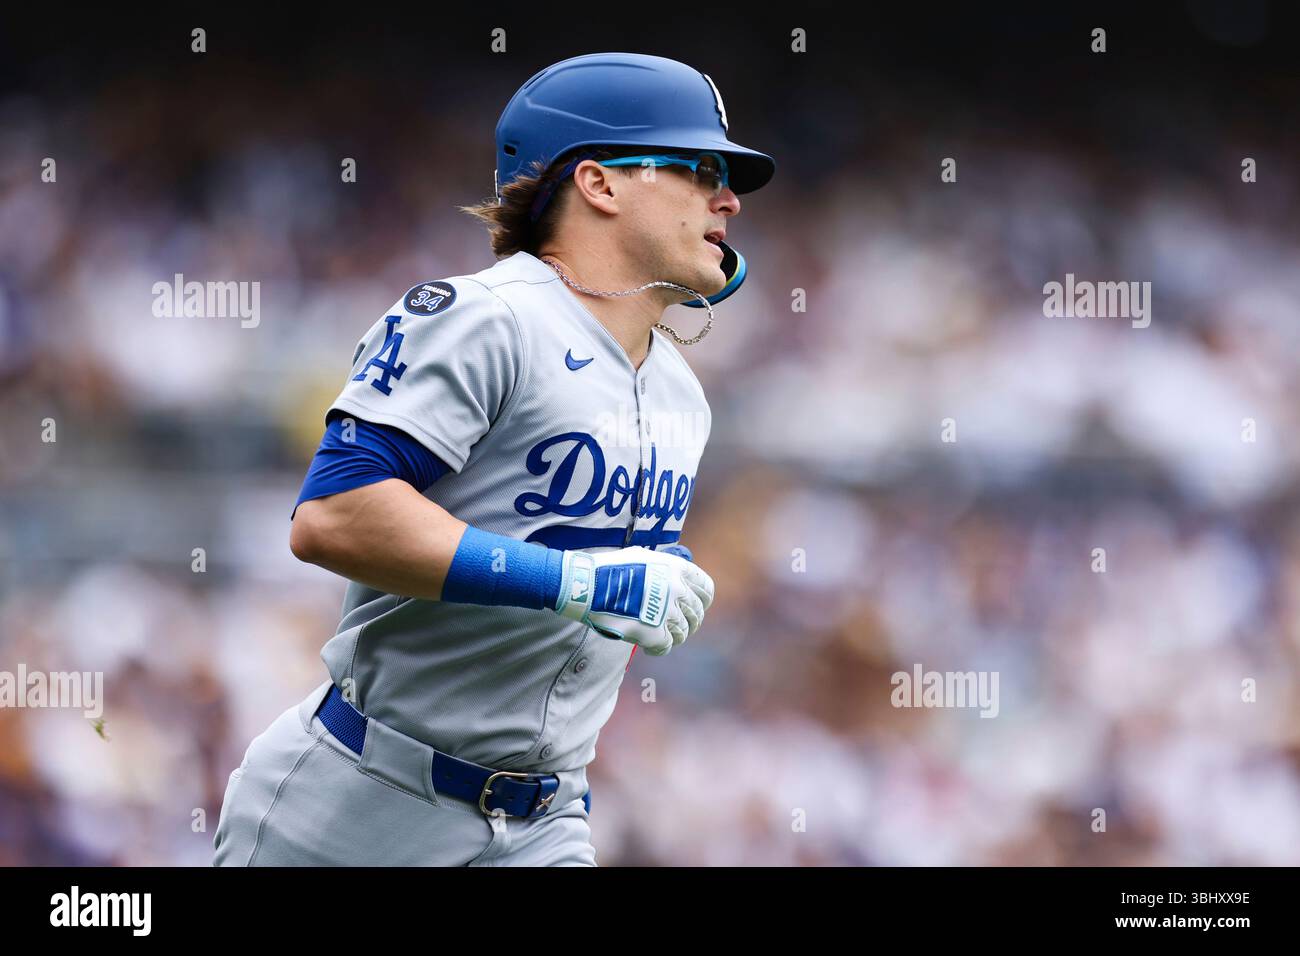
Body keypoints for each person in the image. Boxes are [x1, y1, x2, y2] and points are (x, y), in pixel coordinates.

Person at [213, 52, 774, 866]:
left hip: (545, 820)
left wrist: (651, 576)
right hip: (361, 805)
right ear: (600, 184)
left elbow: (554, 549)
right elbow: (334, 517)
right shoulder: (485, 317)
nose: (727, 198)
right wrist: (581, 583)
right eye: (696, 168)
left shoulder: (683, 392)